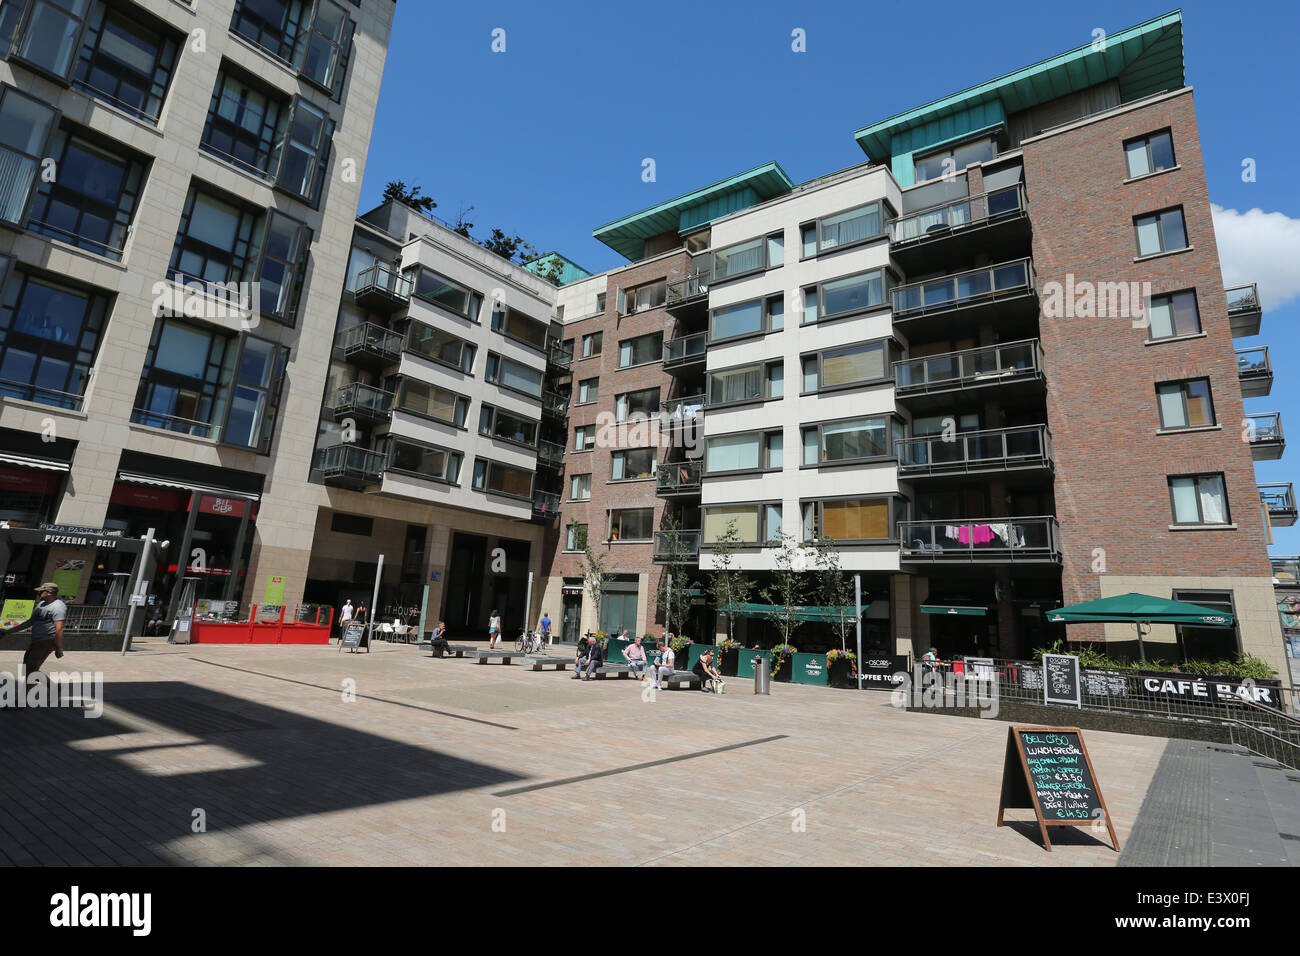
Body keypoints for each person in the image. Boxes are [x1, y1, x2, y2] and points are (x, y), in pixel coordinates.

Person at [1, 582, 67, 680]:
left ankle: (27, 693)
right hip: (36, 641)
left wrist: (59, 648)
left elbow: (59, 628)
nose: (38, 594)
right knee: (28, 668)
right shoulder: (41, 604)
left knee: (30, 670)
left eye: (40, 592)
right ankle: (53, 687)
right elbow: (30, 622)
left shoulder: (58, 607)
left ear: (49, 592)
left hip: (47, 641)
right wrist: (8, 631)